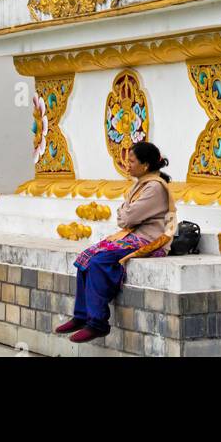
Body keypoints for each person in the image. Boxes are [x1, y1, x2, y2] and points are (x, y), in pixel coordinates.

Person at [55, 140, 175, 343]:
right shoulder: (142, 186)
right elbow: (125, 215)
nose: (127, 165)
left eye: (132, 161)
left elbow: (125, 217)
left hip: (149, 240)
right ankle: (81, 316)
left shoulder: (154, 188)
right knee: (86, 256)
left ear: (145, 165)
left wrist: (125, 212)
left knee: (99, 262)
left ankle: (97, 323)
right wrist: (125, 212)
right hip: (132, 235)